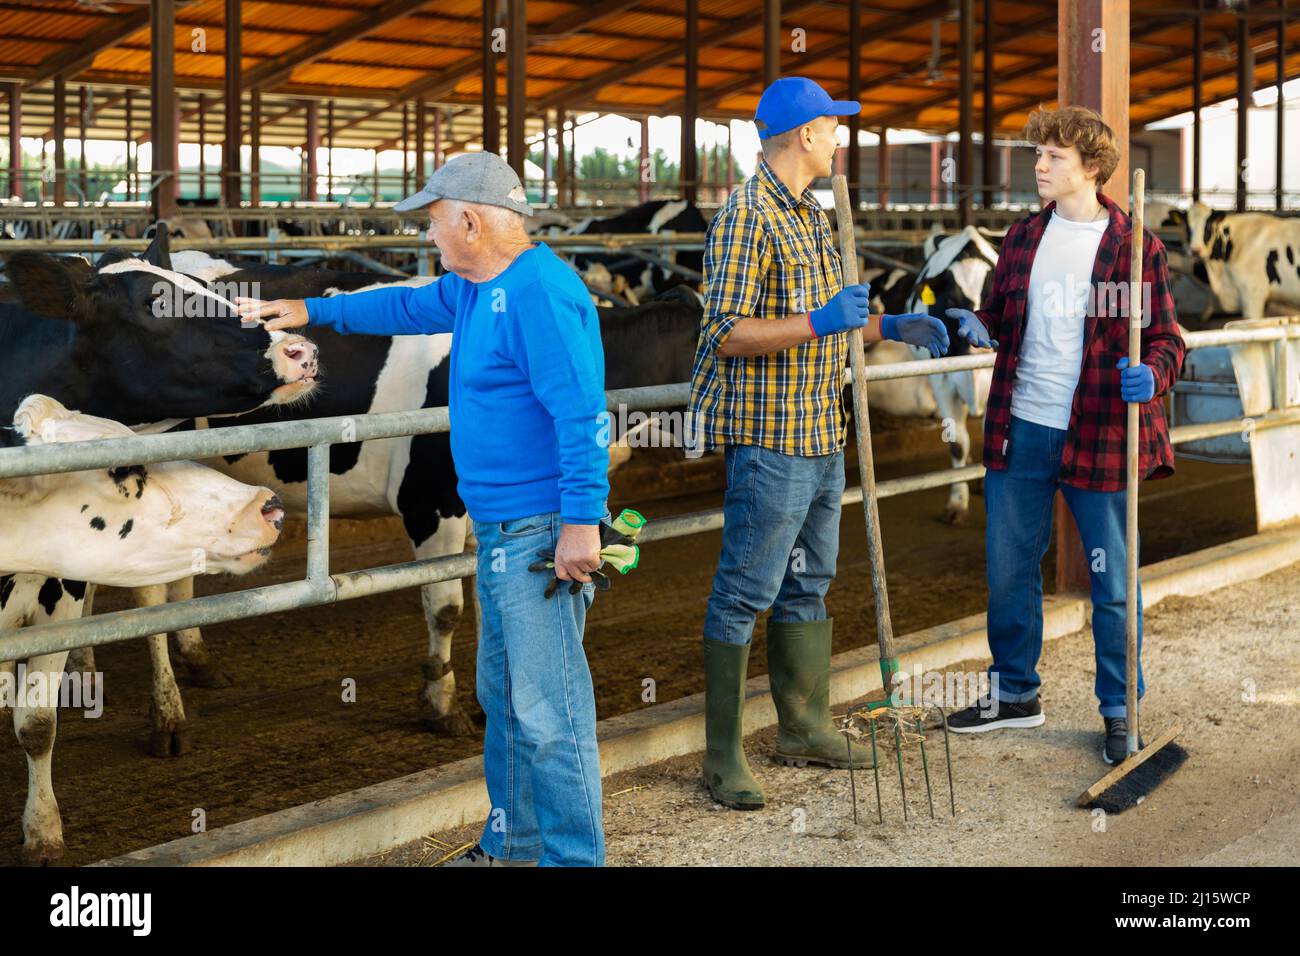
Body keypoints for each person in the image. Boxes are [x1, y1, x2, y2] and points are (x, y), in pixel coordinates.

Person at [236, 152, 610, 866]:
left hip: (540, 533)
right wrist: (315, 310)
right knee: (503, 697)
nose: (430, 237)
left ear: (470, 220)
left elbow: (582, 416)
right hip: (500, 531)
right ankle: (512, 843)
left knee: (549, 714)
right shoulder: (475, 286)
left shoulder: (540, 294)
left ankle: (571, 859)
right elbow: (402, 305)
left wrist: (582, 522)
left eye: (435, 223)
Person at [687, 76, 951, 810]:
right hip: (771, 441)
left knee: (808, 583)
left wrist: (891, 328)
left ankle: (802, 729)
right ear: (805, 134)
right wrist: (819, 320)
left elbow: (842, 319)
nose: (841, 136)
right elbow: (727, 334)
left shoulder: (810, 214)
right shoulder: (747, 217)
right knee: (744, 592)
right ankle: (722, 757)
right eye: (835, 125)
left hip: (822, 432)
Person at [942, 105, 1186, 765]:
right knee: (1008, 571)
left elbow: (1167, 338)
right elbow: (999, 318)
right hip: (1020, 432)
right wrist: (976, 325)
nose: (1040, 166)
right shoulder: (1022, 238)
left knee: (1110, 581)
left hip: (1101, 432)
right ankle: (1015, 692)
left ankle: (1119, 709)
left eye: (1053, 157)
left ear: (1090, 168)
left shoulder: (1136, 247)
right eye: (1039, 155)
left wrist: (1153, 375)